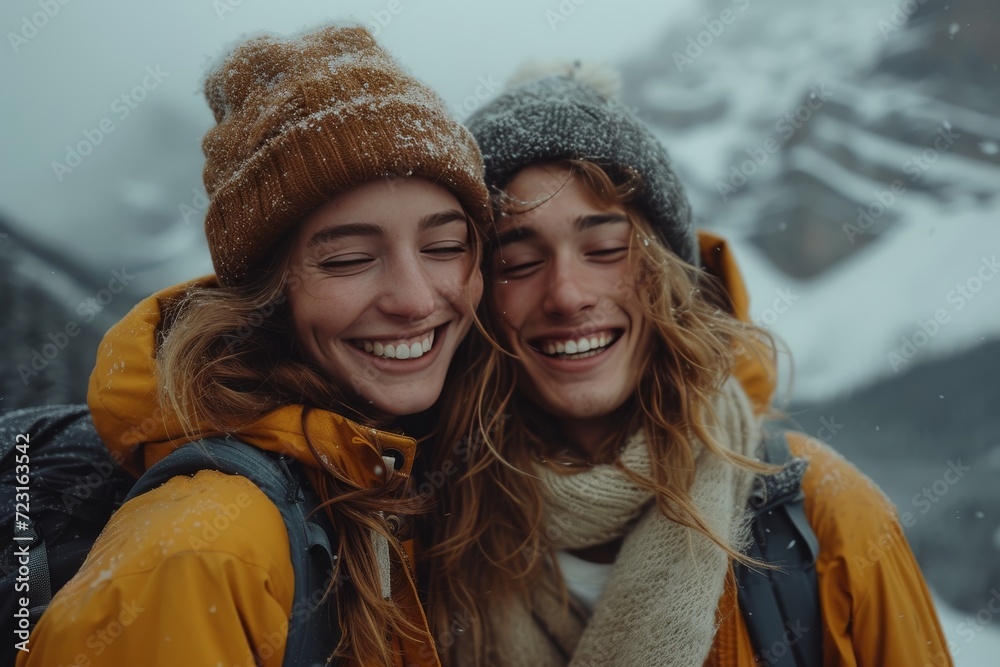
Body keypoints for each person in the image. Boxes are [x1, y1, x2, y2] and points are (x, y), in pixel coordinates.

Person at [424, 65, 953, 667]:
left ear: (668, 273)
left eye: (605, 250)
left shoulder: (826, 519)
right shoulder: (420, 534)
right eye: (517, 261)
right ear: (477, 298)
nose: (567, 294)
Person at [17, 25, 490, 667]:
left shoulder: (381, 478)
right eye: (349, 259)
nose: (414, 298)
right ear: (268, 294)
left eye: (444, 247)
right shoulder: (201, 553)